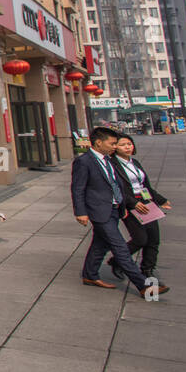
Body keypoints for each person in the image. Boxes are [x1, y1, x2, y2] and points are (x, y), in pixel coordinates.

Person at [71, 126, 168, 297]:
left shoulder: (108, 160)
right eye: (112, 143)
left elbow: (116, 185)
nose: (114, 147)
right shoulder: (84, 161)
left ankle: (90, 275)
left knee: (99, 245)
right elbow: (77, 188)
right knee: (120, 248)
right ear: (98, 142)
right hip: (99, 210)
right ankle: (144, 285)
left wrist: (123, 207)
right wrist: (80, 211)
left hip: (114, 209)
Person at [109, 135, 170, 280]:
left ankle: (148, 268)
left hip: (146, 201)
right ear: (115, 147)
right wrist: (133, 203)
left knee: (153, 238)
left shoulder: (134, 162)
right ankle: (117, 261)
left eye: (129, 144)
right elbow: (116, 188)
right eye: (123, 144)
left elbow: (145, 186)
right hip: (130, 204)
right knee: (140, 239)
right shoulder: (112, 165)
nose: (128, 147)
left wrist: (160, 200)